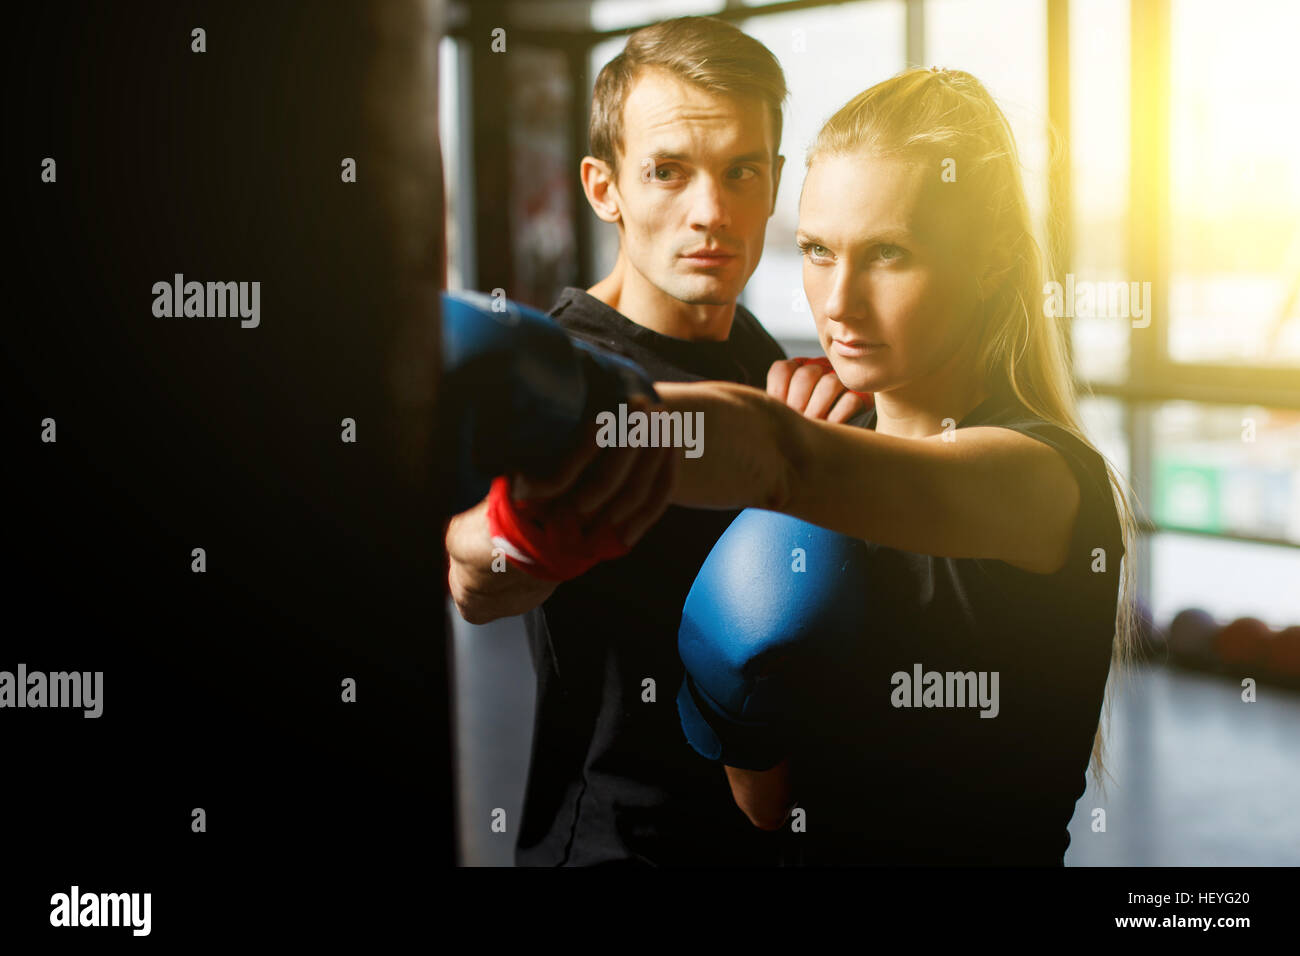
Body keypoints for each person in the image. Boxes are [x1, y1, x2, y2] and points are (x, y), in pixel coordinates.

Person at [650, 67, 1141, 865]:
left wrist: (577, 418)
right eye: (816, 250)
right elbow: (767, 806)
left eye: (888, 254)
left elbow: (796, 462)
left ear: (990, 264)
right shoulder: (820, 467)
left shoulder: (1041, 478)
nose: (839, 300)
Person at [444, 16, 863, 866]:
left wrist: (828, 444)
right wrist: (515, 536)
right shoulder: (566, 369)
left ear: (775, 182)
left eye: (741, 171)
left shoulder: (753, 349)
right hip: (612, 840)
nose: (711, 213)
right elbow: (471, 576)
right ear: (606, 188)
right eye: (667, 172)